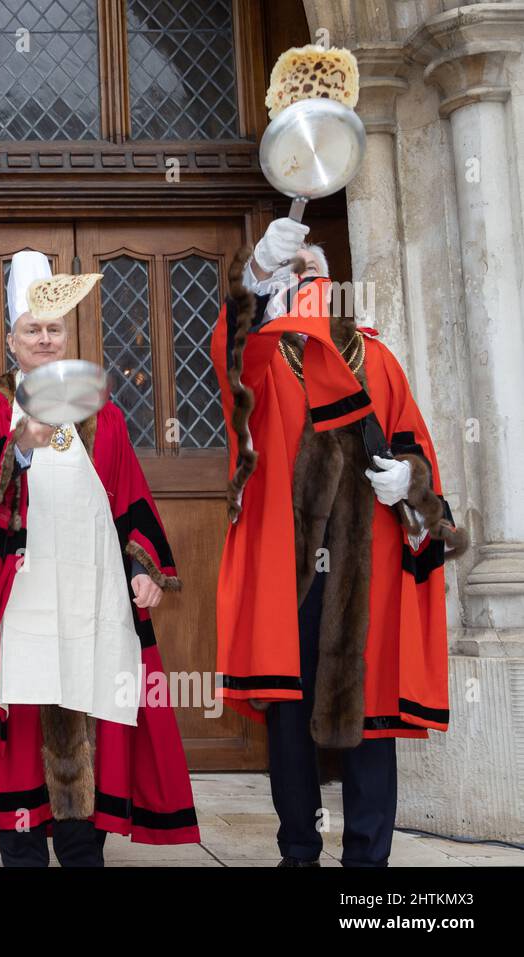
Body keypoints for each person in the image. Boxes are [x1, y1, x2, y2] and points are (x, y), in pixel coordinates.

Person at [211, 219, 468, 867]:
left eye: (306, 274)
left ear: (328, 286)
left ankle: (367, 864)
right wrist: (253, 279)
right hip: (291, 570)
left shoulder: (378, 359)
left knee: (370, 721)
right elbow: (232, 362)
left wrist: (411, 482)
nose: (299, 286)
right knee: (290, 720)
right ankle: (297, 852)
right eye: (286, 275)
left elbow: (416, 445)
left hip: (367, 567)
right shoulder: (267, 362)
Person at [0, 250, 200, 867]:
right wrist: (20, 447)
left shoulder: (101, 411)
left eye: (53, 328)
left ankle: (86, 850)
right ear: (11, 338)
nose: (43, 338)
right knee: (25, 727)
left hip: (91, 602)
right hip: (22, 602)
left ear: (67, 335)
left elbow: (131, 498)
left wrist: (144, 570)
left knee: (91, 712)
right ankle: (24, 849)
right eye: (31, 328)